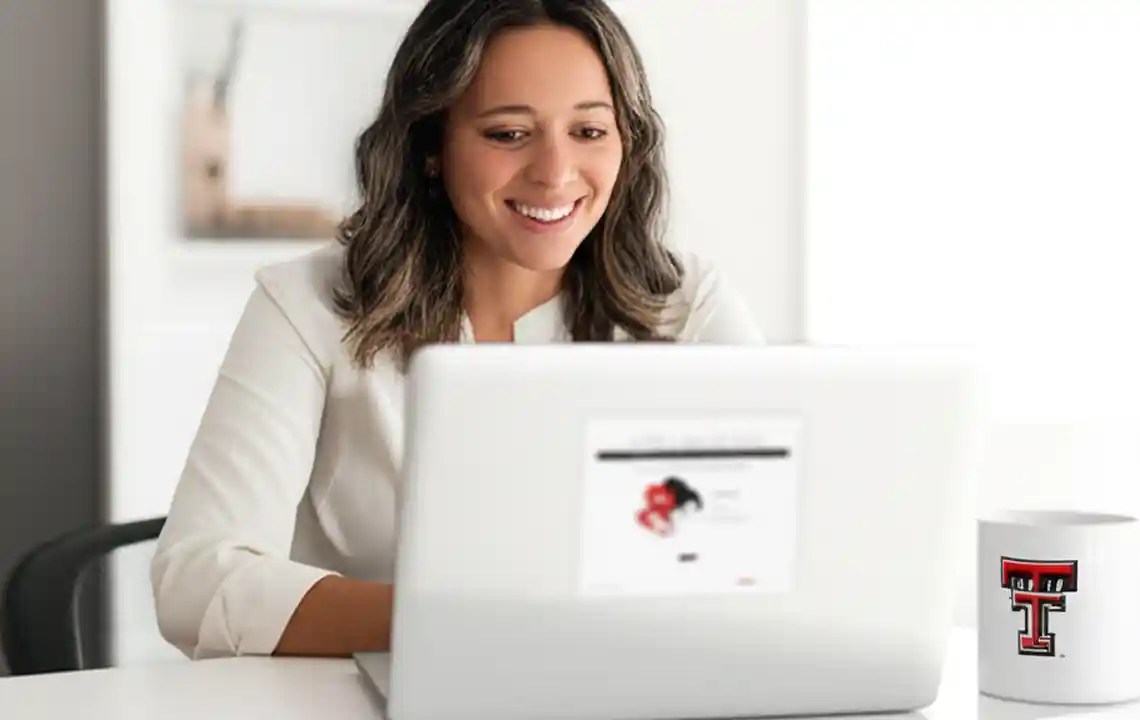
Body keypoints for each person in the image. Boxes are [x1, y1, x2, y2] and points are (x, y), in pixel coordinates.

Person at [151, 0, 764, 661]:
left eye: (588, 132)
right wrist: (463, 624)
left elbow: (775, 549)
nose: (555, 173)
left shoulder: (687, 306)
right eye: (507, 134)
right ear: (432, 146)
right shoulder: (308, 305)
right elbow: (196, 581)